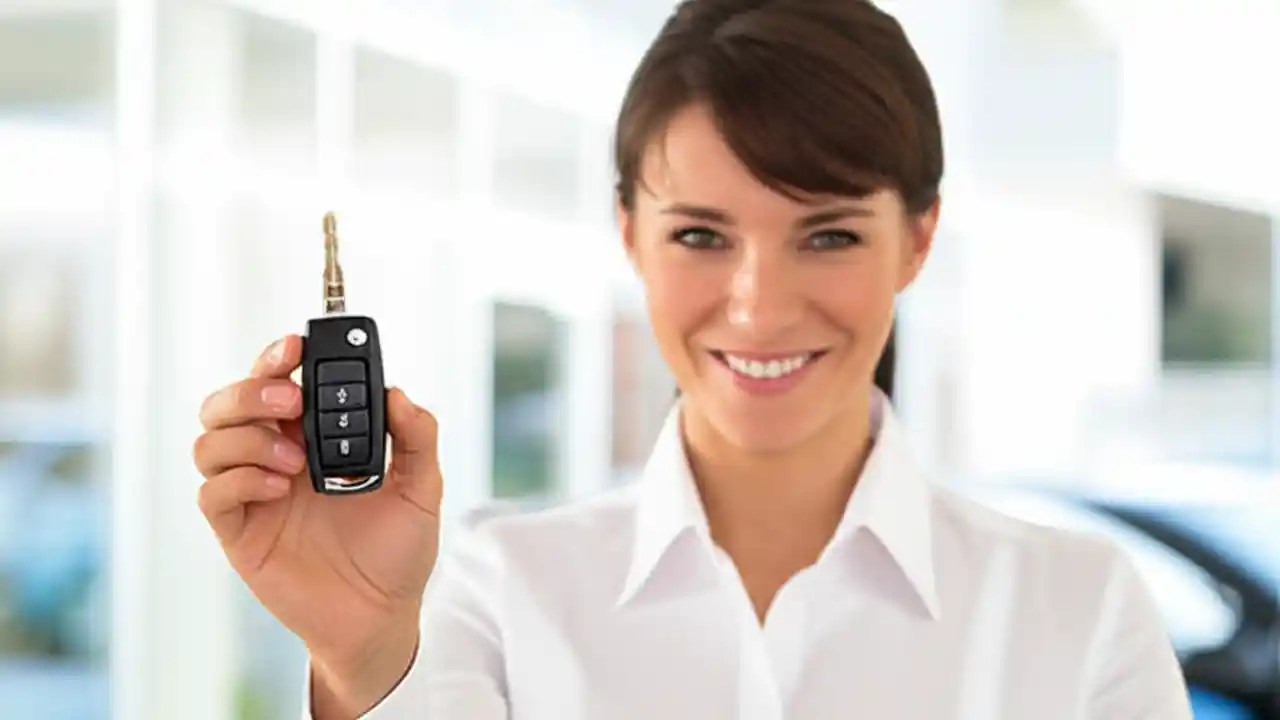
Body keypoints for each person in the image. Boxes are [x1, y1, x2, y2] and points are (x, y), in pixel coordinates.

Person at [192, 1, 1194, 717]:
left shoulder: (1080, 612)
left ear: (918, 238)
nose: (757, 306)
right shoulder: (492, 596)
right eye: (701, 236)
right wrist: (366, 656)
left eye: (829, 235)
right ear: (627, 233)